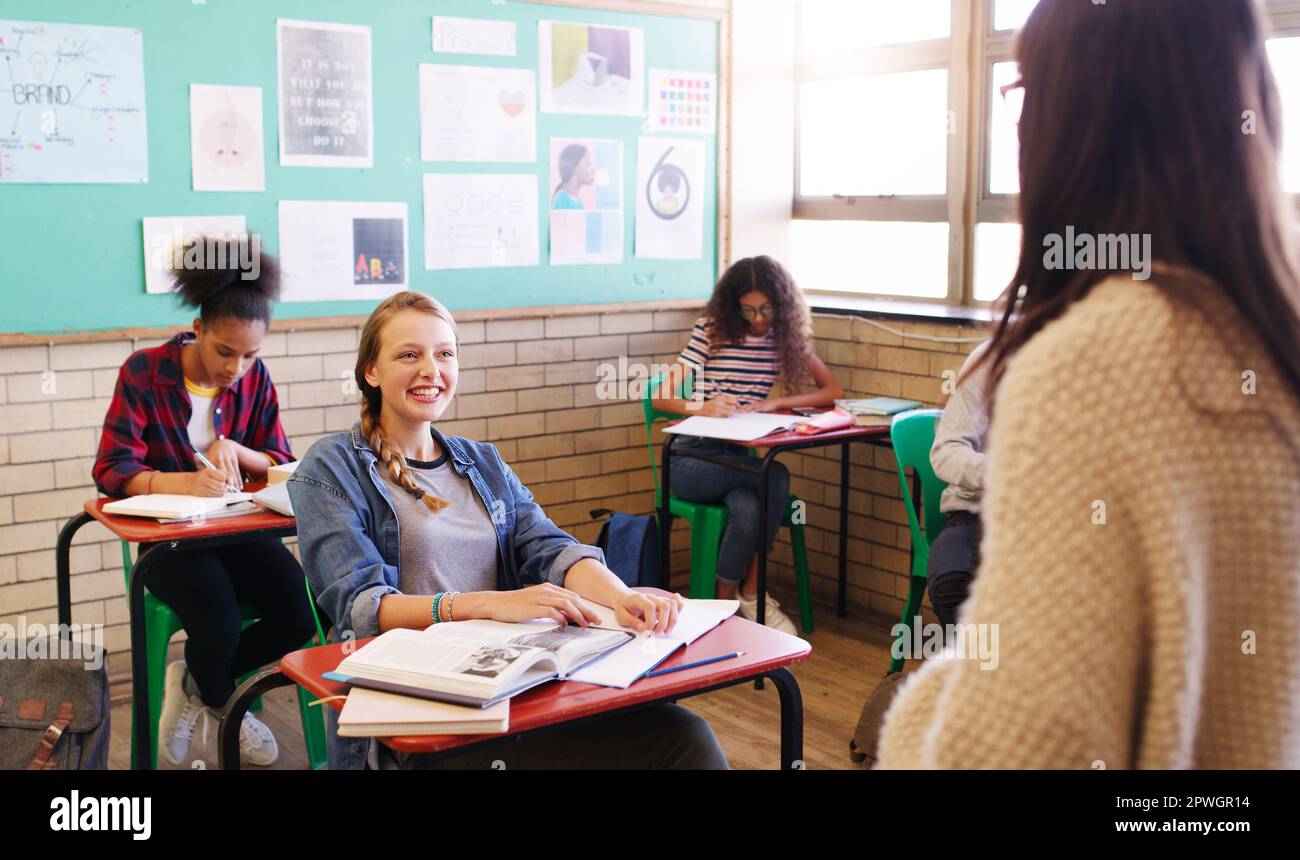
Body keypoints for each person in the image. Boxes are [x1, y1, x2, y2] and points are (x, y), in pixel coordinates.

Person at [878, 0, 1300, 768]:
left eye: (1027, 91)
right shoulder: (1274, 329)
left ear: (1079, 124)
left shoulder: (1091, 362)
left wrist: (922, 720)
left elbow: (1028, 753)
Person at [288, 291, 728, 770]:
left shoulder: (481, 461)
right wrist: (490, 603)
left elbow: (550, 547)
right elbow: (361, 606)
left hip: (508, 690)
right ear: (371, 371)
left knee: (683, 734)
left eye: (444, 354)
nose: (431, 370)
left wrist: (620, 597)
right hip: (419, 723)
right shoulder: (332, 466)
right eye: (408, 355)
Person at [92, 235, 315, 767]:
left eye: (250, 354)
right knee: (215, 620)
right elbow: (111, 469)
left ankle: (197, 683)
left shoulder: (253, 378)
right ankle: (225, 703)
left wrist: (237, 447)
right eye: (224, 351)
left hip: (234, 532)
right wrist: (179, 483)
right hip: (168, 545)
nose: (236, 367)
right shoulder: (144, 373)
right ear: (197, 330)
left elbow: (280, 459)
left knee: (299, 609)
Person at [652, 256, 844, 635]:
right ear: (733, 306)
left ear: (781, 304)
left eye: (766, 309)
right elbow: (662, 397)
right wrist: (702, 407)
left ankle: (727, 602)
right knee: (774, 476)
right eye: (749, 310)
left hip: (740, 461)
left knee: (750, 505)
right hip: (690, 459)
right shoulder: (713, 329)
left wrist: (775, 403)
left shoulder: (785, 336)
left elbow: (833, 391)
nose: (758, 318)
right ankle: (752, 594)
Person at [926, 340, 991, 628]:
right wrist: (1005, 474)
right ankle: (981, 669)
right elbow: (946, 451)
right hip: (975, 512)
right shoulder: (992, 358)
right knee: (953, 586)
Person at [552, 143, 593, 210]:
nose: (592, 168)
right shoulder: (561, 201)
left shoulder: (576, 200)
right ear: (575, 166)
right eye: (587, 163)